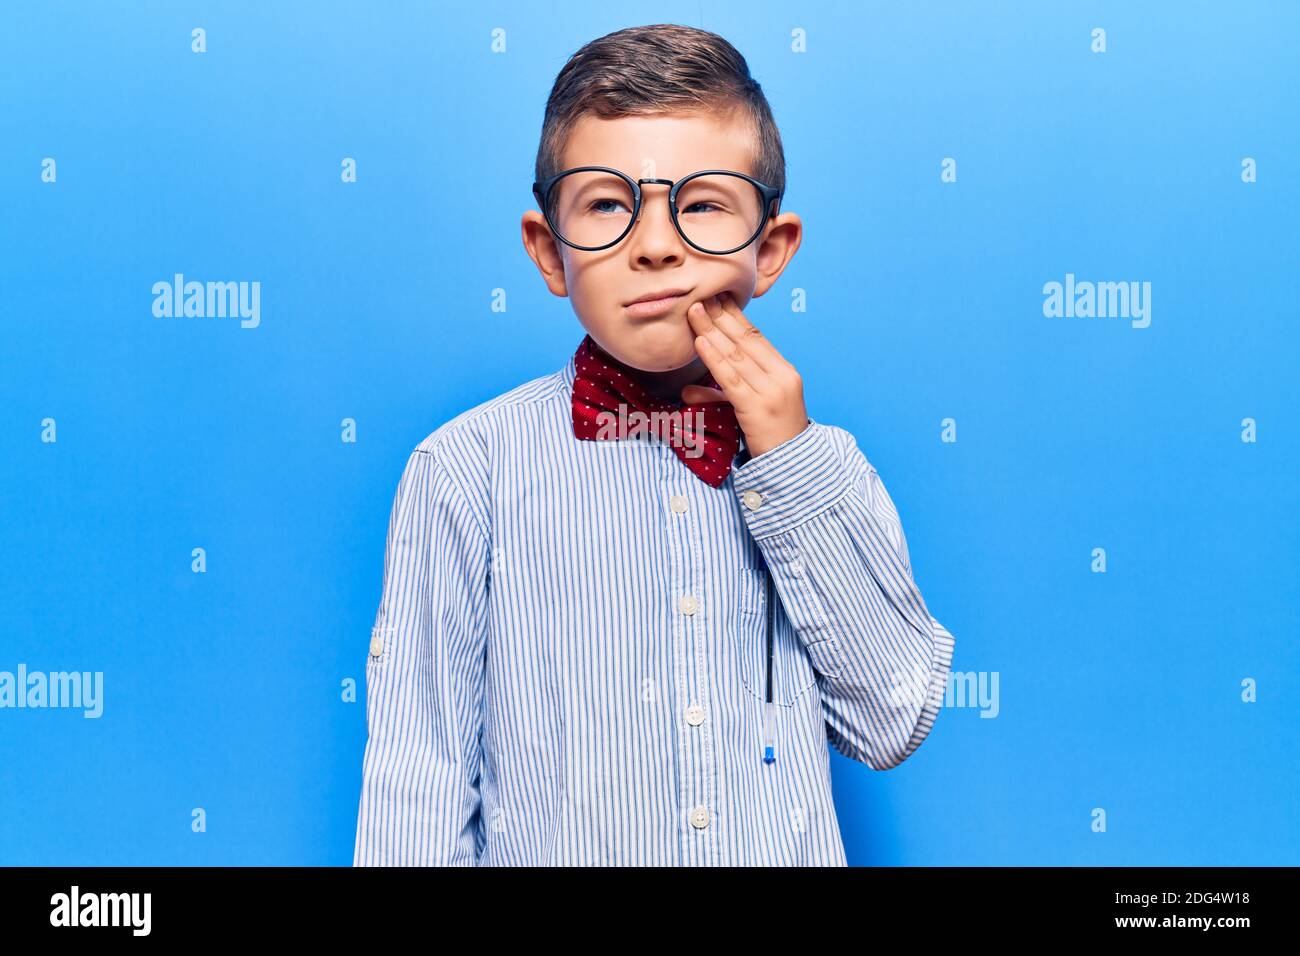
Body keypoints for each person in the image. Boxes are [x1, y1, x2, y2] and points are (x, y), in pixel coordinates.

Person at [353, 23, 955, 866]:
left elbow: (890, 718)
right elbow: (421, 770)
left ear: (771, 249)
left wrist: (789, 464)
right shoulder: (464, 471)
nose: (657, 244)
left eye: (703, 204)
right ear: (548, 251)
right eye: (606, 204)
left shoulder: (828, 469)